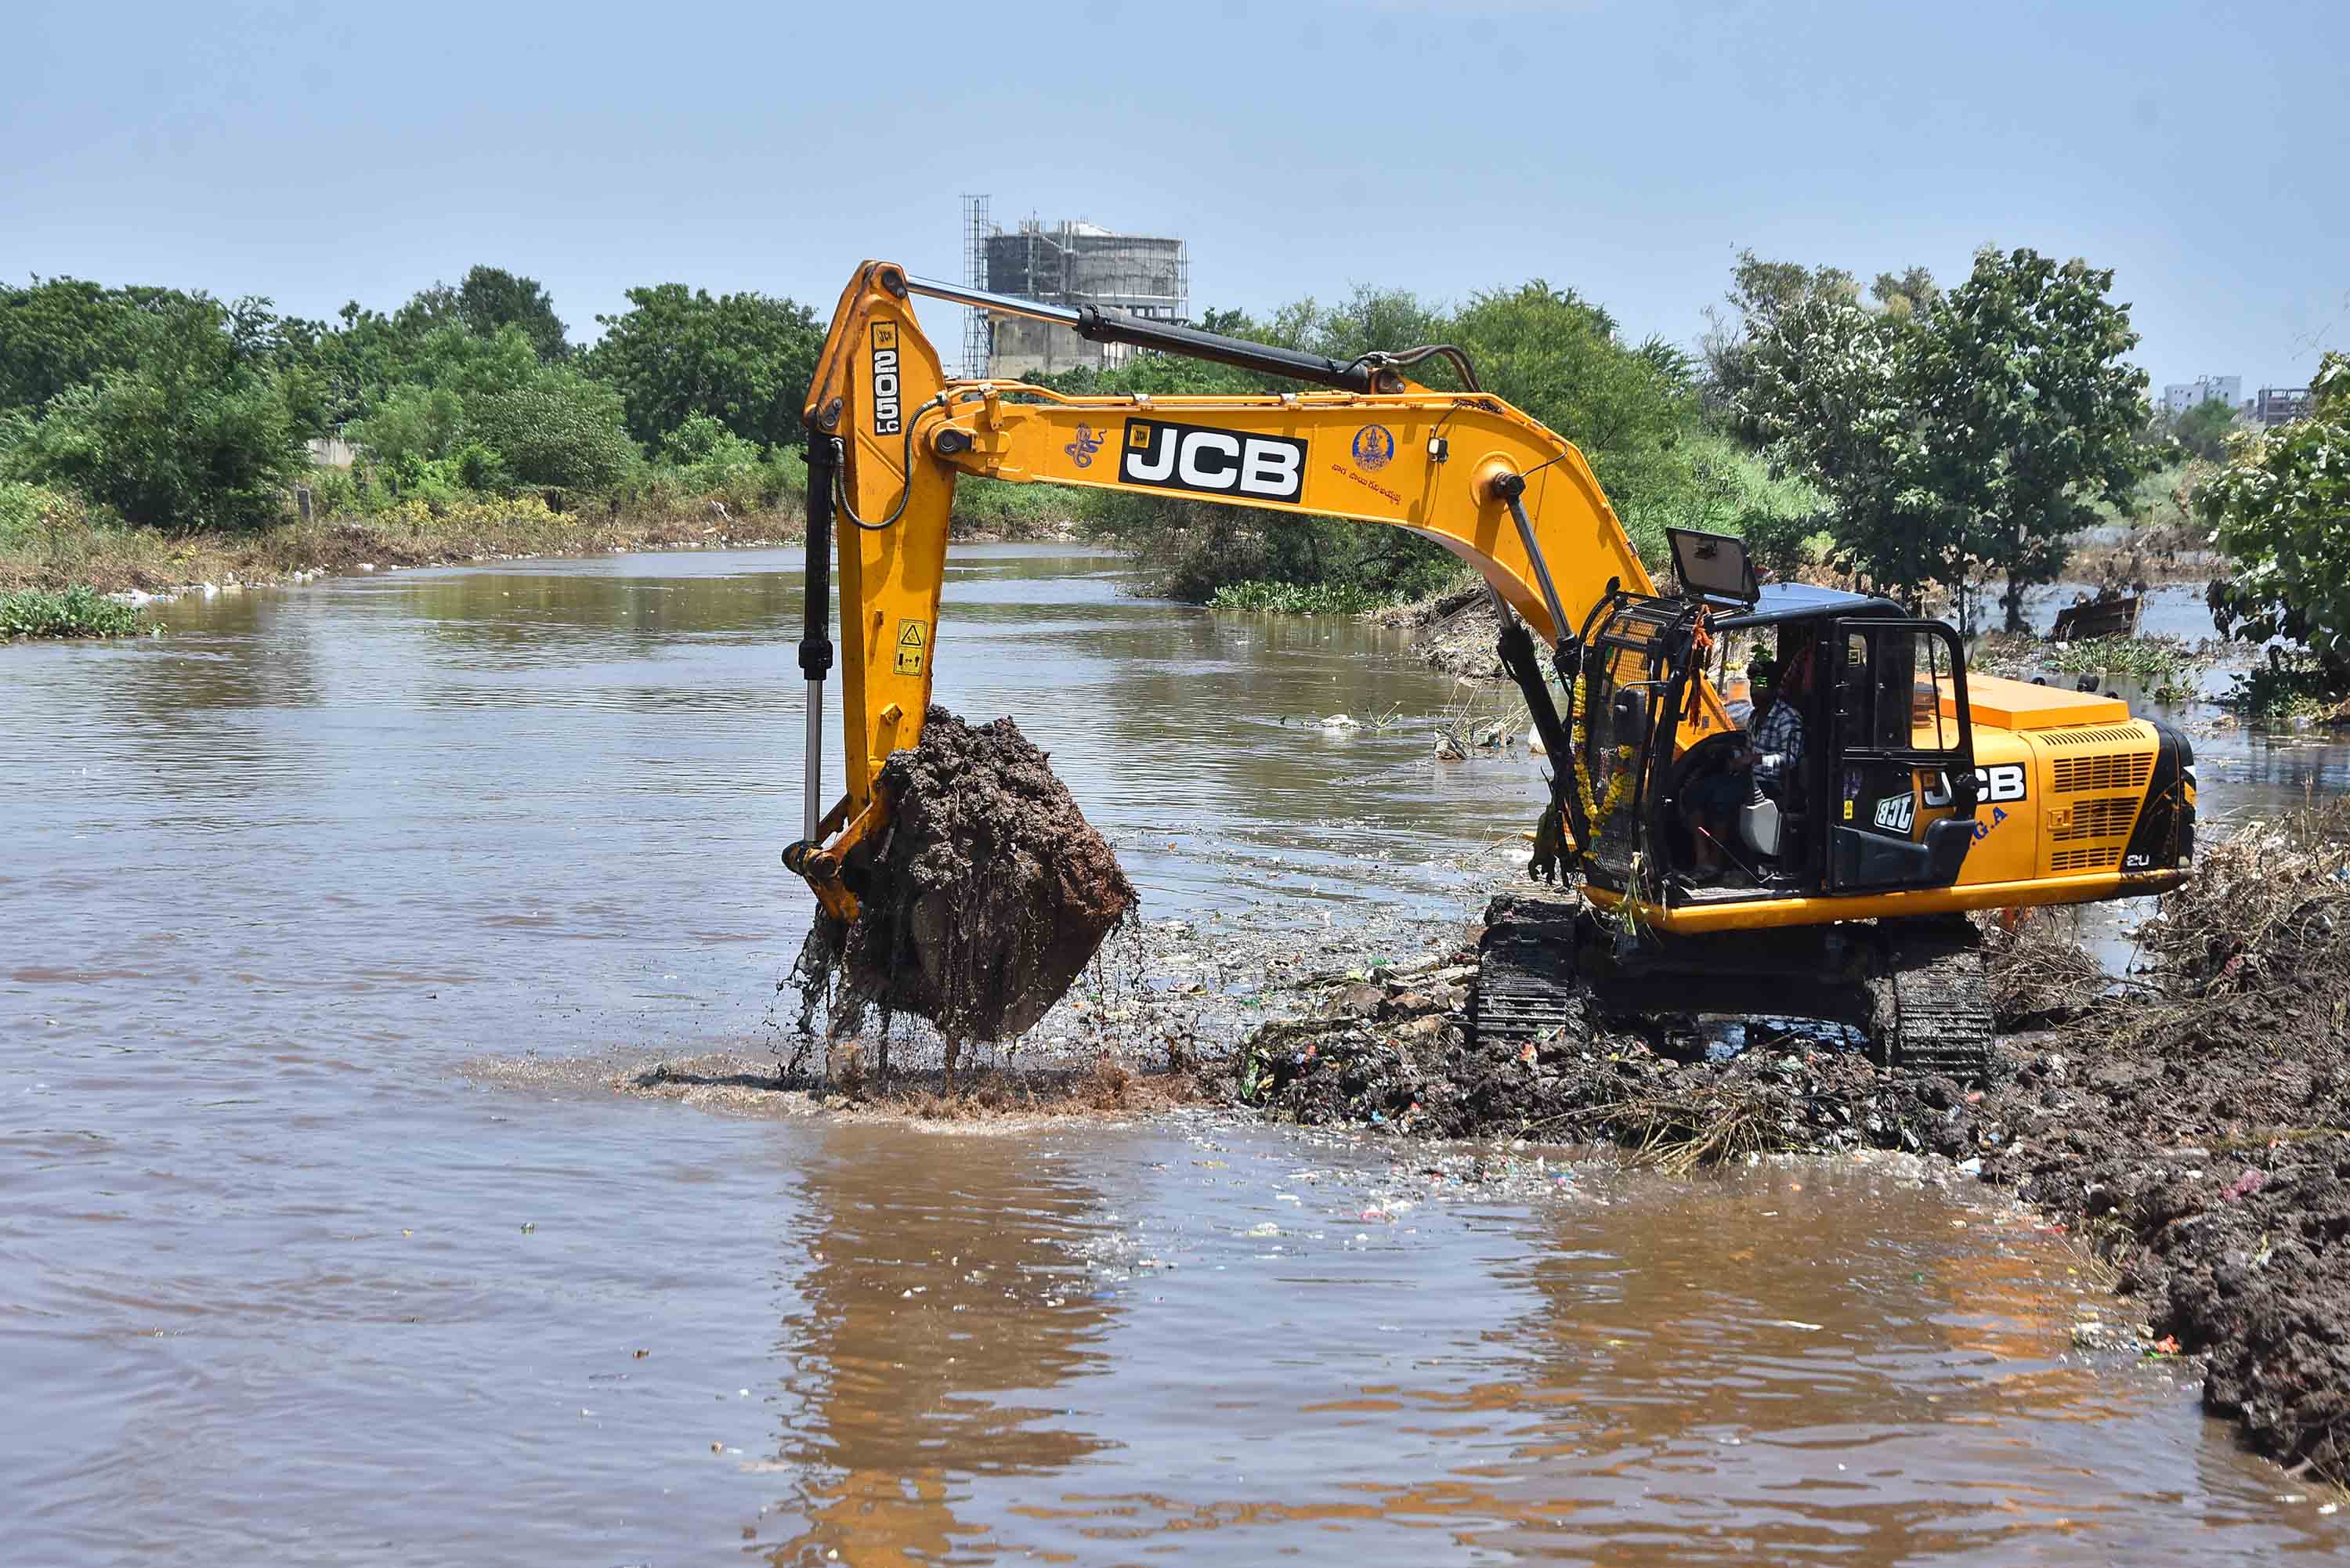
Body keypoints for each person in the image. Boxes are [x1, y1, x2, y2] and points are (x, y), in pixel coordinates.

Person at [1683, 641, 1812, 883]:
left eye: (1761, 686)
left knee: (1724, 797)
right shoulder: (1753, 717)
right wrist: (1726, 753)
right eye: (1753, 686)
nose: (1754, 691)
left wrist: (1755, 759)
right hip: (1747, 778)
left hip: (1772, 784)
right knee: (1694, 793)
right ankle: (1703, 860)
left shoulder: (1787, 718)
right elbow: (1746, 751)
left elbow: (1791, 759)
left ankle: (1718, 863)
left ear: (1774, 689)